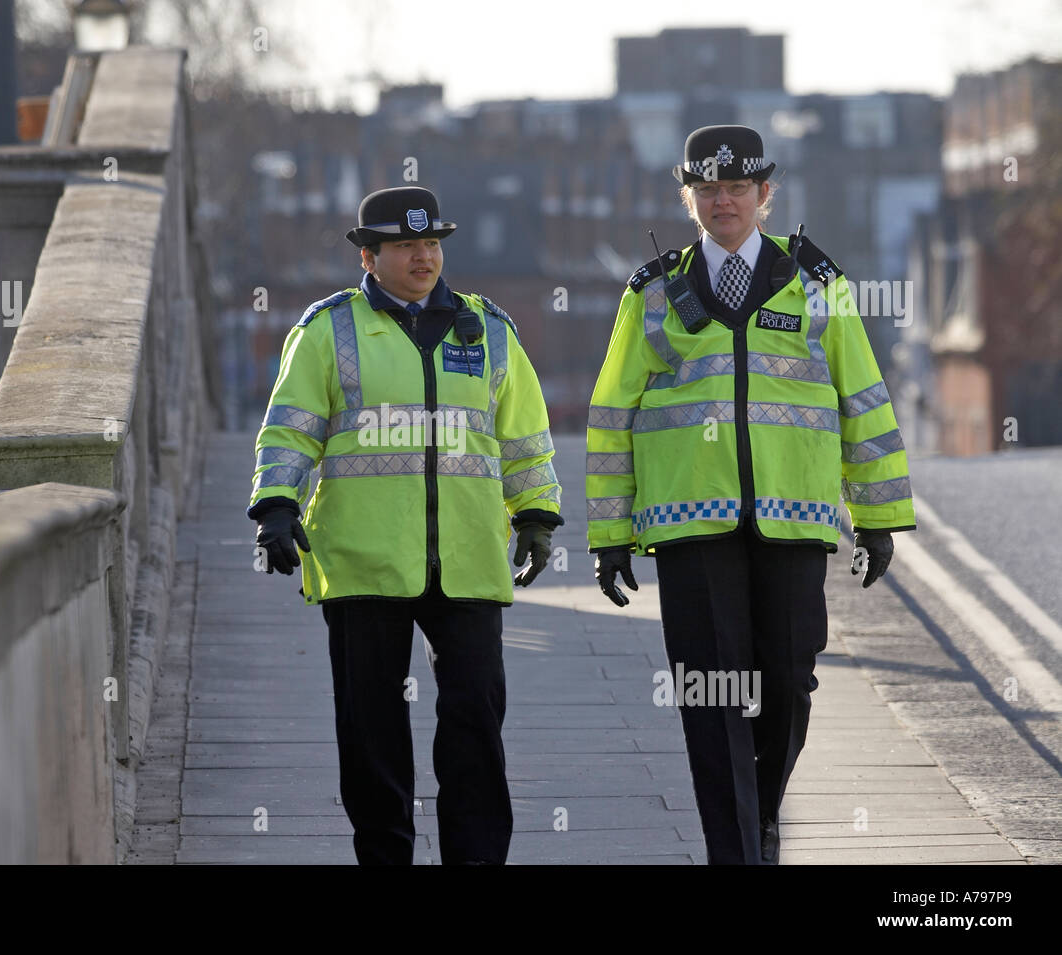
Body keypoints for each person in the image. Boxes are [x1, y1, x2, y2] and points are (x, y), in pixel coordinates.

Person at [585, 126, 915, 865]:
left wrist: (880, 516)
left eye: (737, 188)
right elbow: (612, 417)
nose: (722, 200)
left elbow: (862, 397)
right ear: (689, 198)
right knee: (710, 694)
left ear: (766, 195)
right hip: (688, 525)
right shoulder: (652, 294)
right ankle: (733, 851)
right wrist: (609, 535)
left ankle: (759, 814)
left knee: (789, 684)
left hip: (792, 521)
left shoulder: (818, 284)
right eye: (707, 188)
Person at [248, 186, 564, 865]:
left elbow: (523, 439)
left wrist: (536, 514)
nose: (424, 256)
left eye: (432, 243)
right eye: (406, 246)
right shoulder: (327, 330)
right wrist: (276, 503)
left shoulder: (488, 330)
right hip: (362, 560)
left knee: (475, 722)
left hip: (469, 559)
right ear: (370, 254)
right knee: (371, 734)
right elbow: (291, 427)